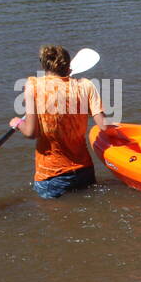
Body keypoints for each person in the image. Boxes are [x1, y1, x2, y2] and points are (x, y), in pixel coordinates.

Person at [13, 45, 108, 198]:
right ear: (68, 65)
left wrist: (17, 123)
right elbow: (104, 125)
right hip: (84, 170)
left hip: (51, 175)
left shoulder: (33, 86)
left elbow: (31, 133)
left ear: (43, 65)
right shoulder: (86, 86)